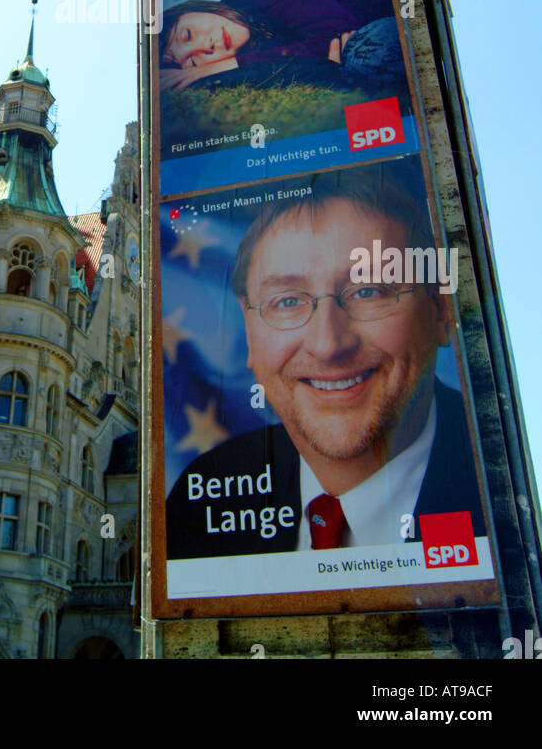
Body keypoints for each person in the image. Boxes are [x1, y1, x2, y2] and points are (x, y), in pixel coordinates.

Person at [165, 164, 486, 558]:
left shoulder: (498, 487)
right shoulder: (198, 501)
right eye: (287, 302)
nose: (327, 344)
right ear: (249, 331)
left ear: (439, 309)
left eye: (369, 291)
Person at [159, 0, 404, 96]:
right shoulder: (255, 60)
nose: (206, 47)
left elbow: (340, 36)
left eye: (188, 34)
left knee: (360, 54)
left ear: (193, 9)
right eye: (193, 64)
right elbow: (322, 58)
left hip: (403, 13)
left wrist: (223, 66)